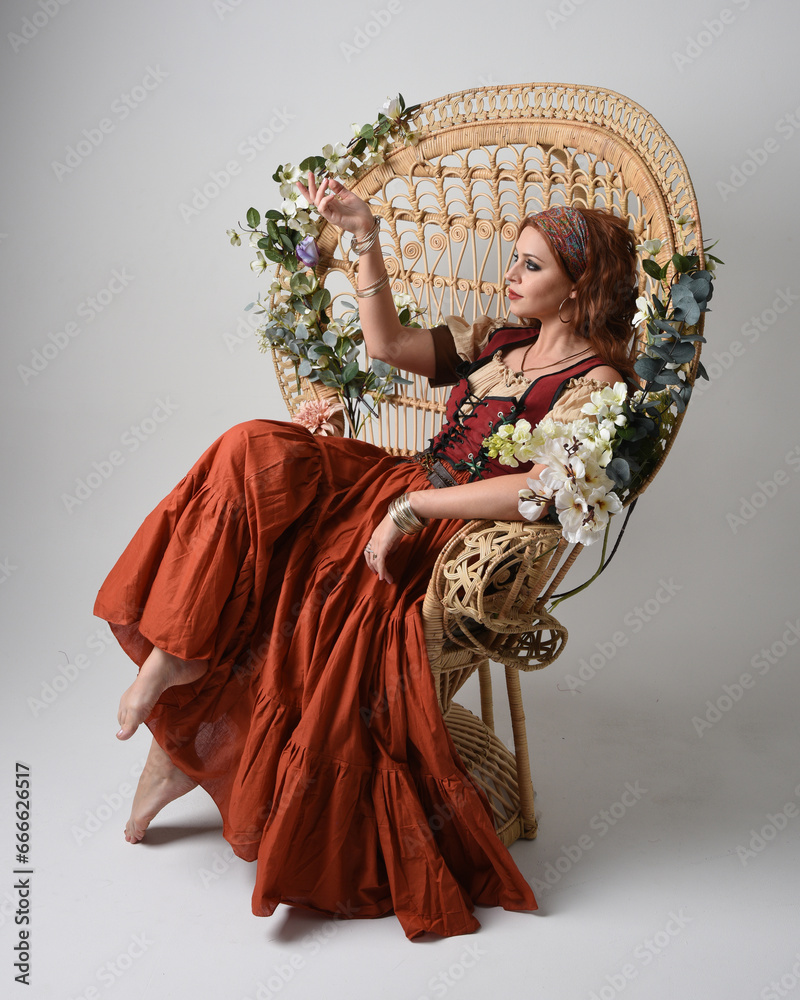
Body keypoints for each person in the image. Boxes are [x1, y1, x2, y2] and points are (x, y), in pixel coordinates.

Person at [93, 172, 638, 940]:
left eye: (530, 265)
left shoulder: (596, 384)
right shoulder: (498, 340)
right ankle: (175, 656)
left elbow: (535, 497)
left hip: (447, 527)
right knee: (255, 447)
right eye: (514, 259)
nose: (509, 276)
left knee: (319, 593)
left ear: (581, 287)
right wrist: (366, 235)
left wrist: (412, 510)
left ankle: (189, 745)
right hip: (397, 484)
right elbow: (385, 345)